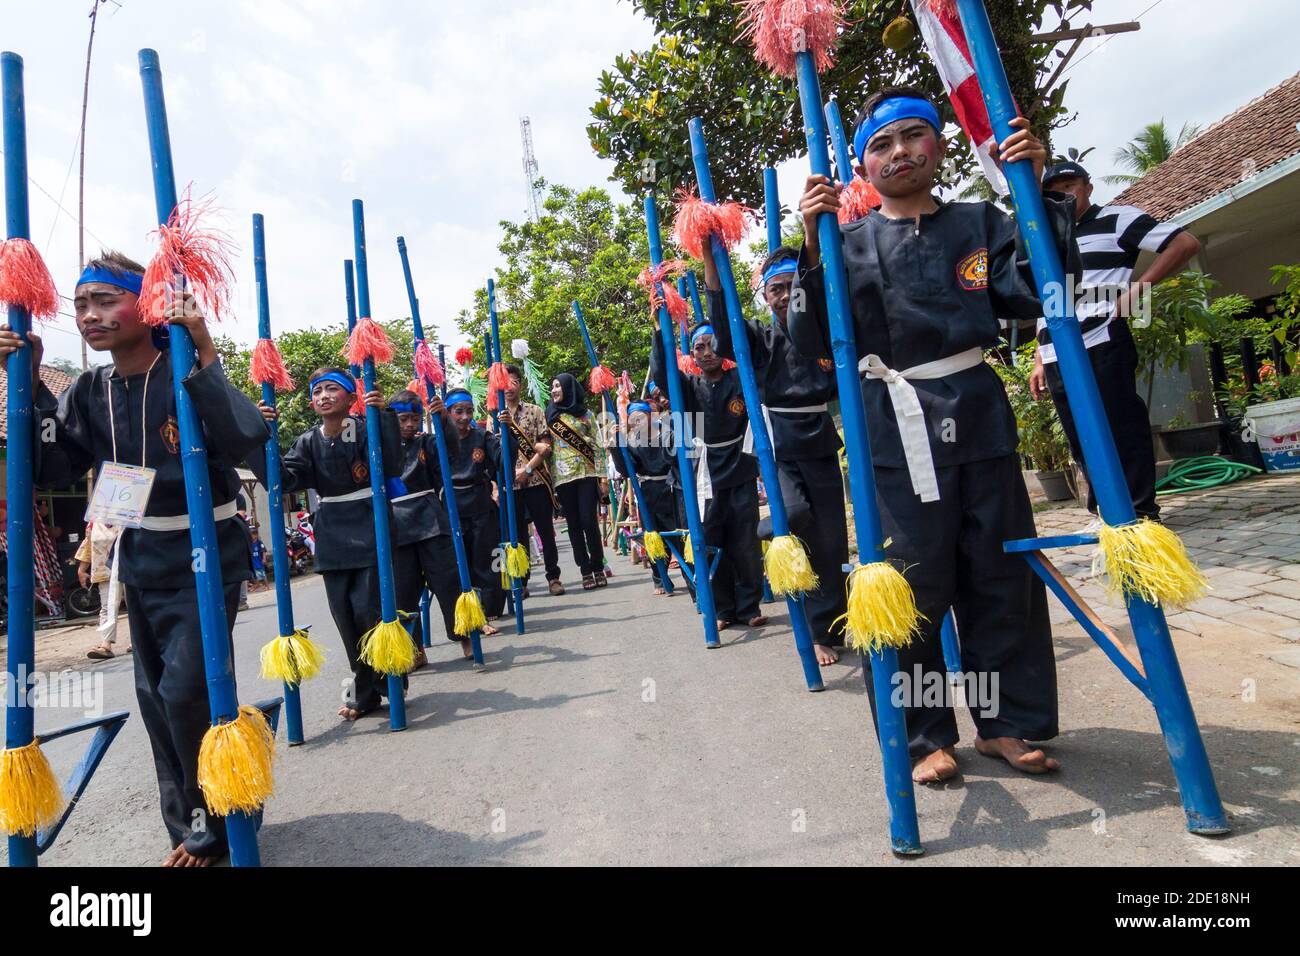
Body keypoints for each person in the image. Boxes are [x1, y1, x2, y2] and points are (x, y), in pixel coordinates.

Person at [789, 87, 1066, 783]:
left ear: (938, 145)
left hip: (977, 407)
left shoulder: (982, 221)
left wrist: (1037, 194)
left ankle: (1005, 724)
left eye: (913, 136)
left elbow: (1039, 292)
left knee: (999, 571)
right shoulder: (843, 244)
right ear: (861, 166)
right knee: (912, 584)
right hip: (893, 420)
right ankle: (925, 735)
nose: (898, 152)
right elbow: (810, 341)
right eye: (880, 145)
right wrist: (809, 245)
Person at [2, 249, 269, 866]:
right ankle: (193, 826)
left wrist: (203, 349)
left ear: (144, 304)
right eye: (80, 306)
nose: (90, 316)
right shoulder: (89, 390)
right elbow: (53, 470)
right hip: (140, 556)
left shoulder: (181, 368)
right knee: (157, 700)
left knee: (186, 693)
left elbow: (244, 437)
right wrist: (32, 379)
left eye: (104, 300)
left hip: (205, 553)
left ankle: (222, 819)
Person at [1028, 160, 1201, 521]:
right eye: (1053, 191)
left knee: (1121, 424)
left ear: (1088, 187)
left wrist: (1137, 291)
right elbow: (1044, 298)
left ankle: (1140, 512)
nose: (1062, 195)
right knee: (1079, 435)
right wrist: (1038, 358)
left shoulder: (1117, 218)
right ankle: (1107, 513)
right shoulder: (1045, 236)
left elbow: (1183, 243)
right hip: (1056, 348)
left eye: (1070, 186)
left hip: (1101, 337)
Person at [705, 243, 848, 665]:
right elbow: (724, 329)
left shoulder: (821, 329)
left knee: (832, 541)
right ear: (764, 297)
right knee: (793, 515)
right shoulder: (759, 337)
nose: (784, 296)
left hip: (820, 438)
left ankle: (830, 627)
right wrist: (712, 264)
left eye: (791, 287)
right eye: (775, 290)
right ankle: (769, 532)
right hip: (778, 442)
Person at [271, 367, 407, 719]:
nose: (324, 396)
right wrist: (262, 437)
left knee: (370, 611)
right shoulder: (307, 441)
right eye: (317, 392)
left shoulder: (367, 429)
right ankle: (366, 691)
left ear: (350, 397)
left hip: (369, 523)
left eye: (333, 389)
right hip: (332, 533)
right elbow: (287, 479)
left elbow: (392, 465)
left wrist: (384, 416)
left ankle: (389, 680)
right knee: (345, 616)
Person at [650, 325, 767, 630]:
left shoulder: (739, 378)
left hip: (740, 468)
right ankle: (723, 608)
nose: (707, 351)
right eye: (699, 347)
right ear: (693, 355)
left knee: (745, 541)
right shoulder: (689, 388)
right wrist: (658, 330)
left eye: (712, 344)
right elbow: (663, 375)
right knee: (711, 541)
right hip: (706, 477)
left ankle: (748, 605)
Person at [387, 388, 461, 667]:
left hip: (430, 519)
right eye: (402, 419)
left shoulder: (427, 443)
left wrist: (442, 419)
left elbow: (451, 451)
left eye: (414, 419)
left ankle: (464, 635)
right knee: (403, 591)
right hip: (397, 524)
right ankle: (415, 648)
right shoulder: (380, 447)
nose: (409, 425)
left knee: (447, 581)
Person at [608, 398, 690, 595]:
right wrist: (616, 445)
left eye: (641, 417)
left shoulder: (666, 434)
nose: (638, 423)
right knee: (653, 537)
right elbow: (626, 470)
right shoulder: (631, 442)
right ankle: (660, 579)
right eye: (633, 419)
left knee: (678, 535)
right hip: (647, 492)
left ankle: (691, 577)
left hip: (671, 488)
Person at [497, 364, 564, 595]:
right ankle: (521, 581)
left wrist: (526, 469)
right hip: (510, 484)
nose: (508, 387)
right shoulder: (493, 415)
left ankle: (553, 577)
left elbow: (545, 446)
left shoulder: (534, 411)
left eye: (513, 381)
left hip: (535, 480)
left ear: (520, 383)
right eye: (504, 382)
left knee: (545, 530)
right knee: (517, 535)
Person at [443, 388, 503, 642]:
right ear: (447, 413)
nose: (465, 417)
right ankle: (468, 618)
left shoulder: (482, 436)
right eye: (459, 411)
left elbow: (502, 461)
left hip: (480, 503)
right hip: (452, 506)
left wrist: (506, 437)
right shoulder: (438, 439)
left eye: (469, 411)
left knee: (486, 559)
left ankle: (487, 614)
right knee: (459, 564)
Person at [545, 373, 608, 591]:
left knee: (589, 522)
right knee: (573, 526)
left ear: (568, 388)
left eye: (557, 386)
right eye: (552, 387)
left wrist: (603, 478)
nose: (553, 391)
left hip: (586, 475)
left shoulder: (587, 414)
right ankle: (585, 570)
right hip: (562, 479)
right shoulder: (550, 415)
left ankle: (598, 565)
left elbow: (599, 446)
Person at [76, 520, 128, 658]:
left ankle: (138, 641)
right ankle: (106, 645)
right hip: (103, 572)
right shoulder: (93, 523)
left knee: (134, 606)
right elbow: (88, 546)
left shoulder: (126, 516)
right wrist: (81, 570)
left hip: (128, 568)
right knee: (107, 608)